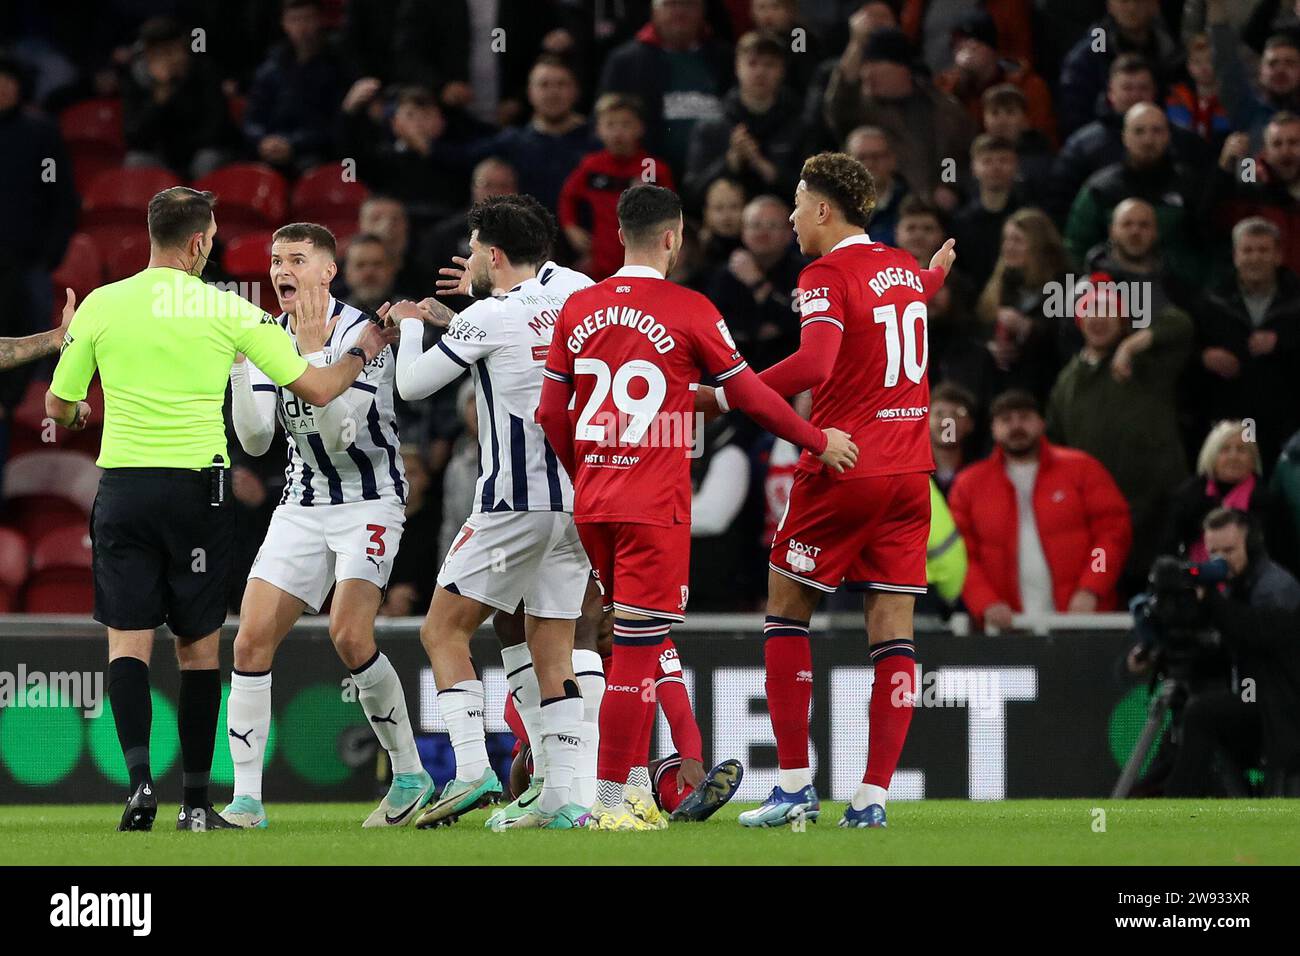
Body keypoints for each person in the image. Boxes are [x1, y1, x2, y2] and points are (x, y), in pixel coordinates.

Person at [46, 187, 395, 832]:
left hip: (122, 489)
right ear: (201, 243)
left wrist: (83, 405)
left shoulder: (100, 304)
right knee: (197, 649)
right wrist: (360, 351)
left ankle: (139, 788)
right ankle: (198, 803)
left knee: (128, 642)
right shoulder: (230, 310)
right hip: (197, 493)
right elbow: (317, 387)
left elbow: (58, 410)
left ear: (150, 235)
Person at [537, 183, 856, 830]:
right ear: (675, 238)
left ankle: (640, 784)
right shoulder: (691, 309)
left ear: (621, 234)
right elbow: (756, 399)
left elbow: (550, 412)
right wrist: (818, 439)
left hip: (594, 502)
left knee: (638, 644)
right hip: (653, 507)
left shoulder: (579, 307)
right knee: (634, 651)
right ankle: (607, 806)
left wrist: (588, 474)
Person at [701, 152, 958, 829]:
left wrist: (729, 393)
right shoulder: (902, 266)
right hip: (911, 476)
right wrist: (934, 274)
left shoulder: (824, 273)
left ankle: (792, 789)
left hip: (845, 466)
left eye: (795, 204)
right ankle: (872, 799)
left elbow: (815, 363)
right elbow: (912, 298)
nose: (789, 219)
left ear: (822, 209)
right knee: (893, 633)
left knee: (787, 613)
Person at [392, 196, 597, 831]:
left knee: (441, 631)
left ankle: (472, 767)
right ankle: (565, 799)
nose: (471, 257)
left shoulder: (489, 315)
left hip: (512, 505)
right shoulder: (577, 300)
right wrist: (462, 315)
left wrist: (410, 326)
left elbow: (413, 385)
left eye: (477, 248)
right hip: (576, 505)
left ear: (496, 255)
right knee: (552, 647)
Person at [222, 222, 426, 830]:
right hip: (302, 502)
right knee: (250, 640)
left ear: (328, 270)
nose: (282, 270)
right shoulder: (265, 333)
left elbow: (338, 430)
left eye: (296, 259)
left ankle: (410, 773)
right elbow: (258, 439)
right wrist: (239, 369)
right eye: (275, 260)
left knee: (348, 635)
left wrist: (312, 355)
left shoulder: (364, 332)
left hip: (371, 499)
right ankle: (248, 801)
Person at [948, 389, 1132, 631]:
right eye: (1006, 420)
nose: (1016, 426)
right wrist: (985, 602)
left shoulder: (1082, 468)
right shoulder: (968, 484)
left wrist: (1091, 587)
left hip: (1082, 620)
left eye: (1024, 417)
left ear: (1041, 422)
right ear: (993, 429)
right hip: (1007, 627)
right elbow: (959, 554)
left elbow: (1112, 535)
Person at [1161, 508, 1300, 796]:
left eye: (1229, 550)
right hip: (1256, 702)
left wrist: (1210, 600)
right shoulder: (1231, 589)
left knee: (1203, 713)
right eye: (1213, 553)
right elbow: (1224, 644)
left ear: (1251, 546)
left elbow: (1258, 634)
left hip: (1284, 707)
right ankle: (1233, 803)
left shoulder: (1276, 586)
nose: (1220, 561)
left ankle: (1175, 804)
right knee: (1201, 715)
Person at [558, 93, 676, 281]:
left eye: (626, 124)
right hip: (600, 260)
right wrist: (571, 227)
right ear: (599, 130)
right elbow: (567, 196)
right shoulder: (591, 166)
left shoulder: (651, 166)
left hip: (643, 261)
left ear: (640, 128)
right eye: (610, 125)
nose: (618, 132)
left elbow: (671, 210)